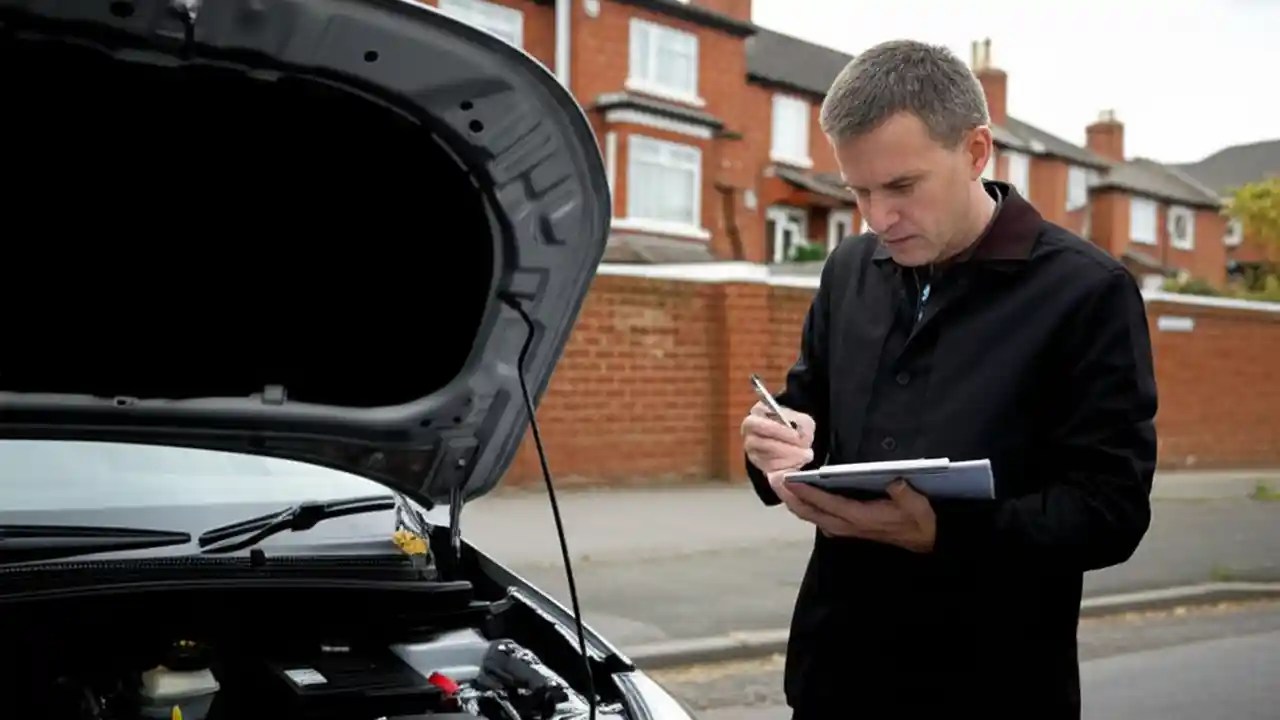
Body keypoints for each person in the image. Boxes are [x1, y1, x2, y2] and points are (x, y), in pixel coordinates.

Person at [741, 39, 1158, 719]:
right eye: (859, 191)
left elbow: (1112, 512)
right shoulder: (848, 268)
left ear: (974, 151)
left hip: (991, 687)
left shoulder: (1088, 292)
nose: (878, 218)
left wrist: (946, 533)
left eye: (902, 187)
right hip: (833, 677)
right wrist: (775, 442)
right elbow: (806, 403)